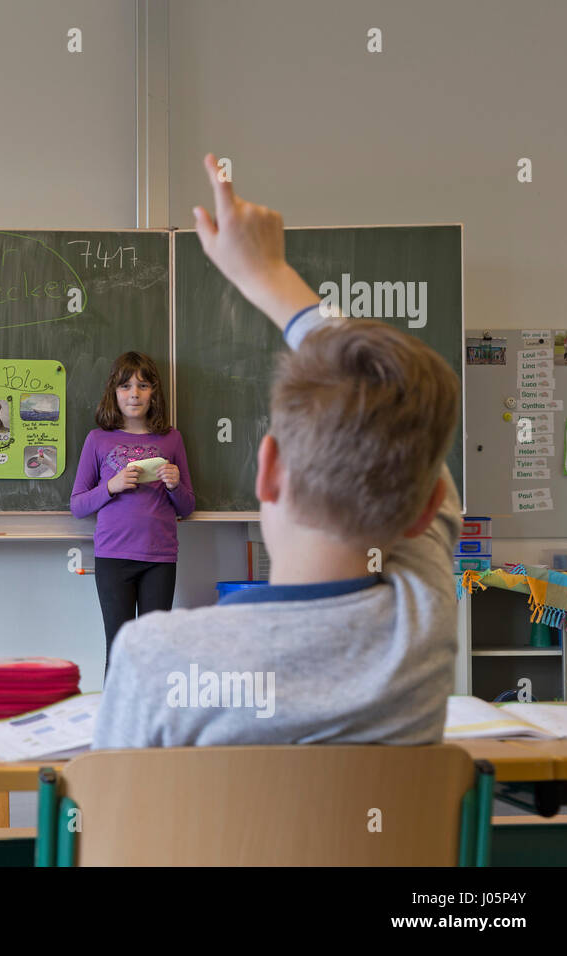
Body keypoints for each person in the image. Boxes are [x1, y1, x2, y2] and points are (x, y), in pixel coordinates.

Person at [93, 155, 461, 748]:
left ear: (267, 470)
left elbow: (109, 819)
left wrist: (266, 274)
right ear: (430, 506)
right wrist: (272, 280)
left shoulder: (155, 658)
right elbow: (409, 424)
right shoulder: (423, 629)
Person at [71, 351, 194, 671]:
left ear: (154, 392)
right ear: (114, 392)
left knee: (155, 649)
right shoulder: (98, 440)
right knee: (119, 647)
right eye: (125, 386)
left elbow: (188, 506)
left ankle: (153, 720)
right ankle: (115, 720)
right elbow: (77, 505)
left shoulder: (171, 439)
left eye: (142, 386)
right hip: (113, 556)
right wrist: (111, 486)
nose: (134, 394)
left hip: (160, 557)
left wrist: (174, 484)